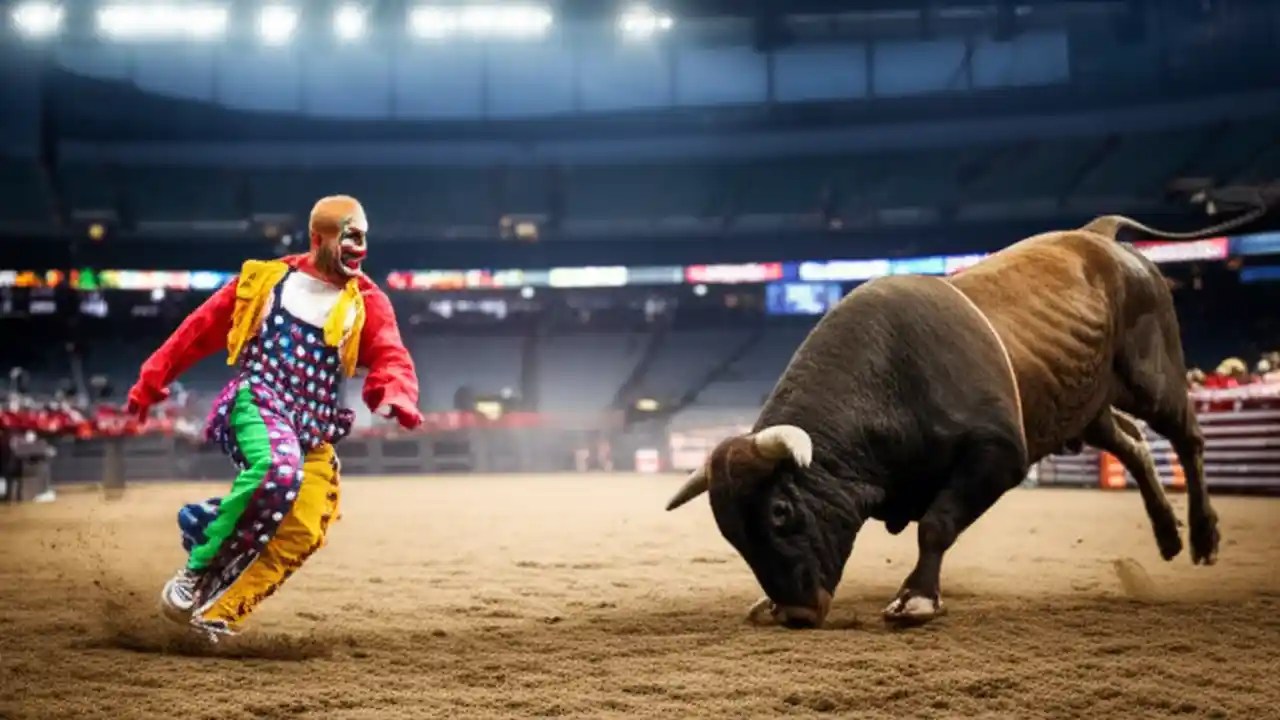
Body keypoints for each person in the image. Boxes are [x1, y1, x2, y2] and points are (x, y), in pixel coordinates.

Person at [126, 195, 422, 640]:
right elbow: (198, 330)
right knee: (278, 471)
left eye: (363, 238)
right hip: (259, 402)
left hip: (312, 429)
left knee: (304, 527)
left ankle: (218, 615)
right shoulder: (265, 282)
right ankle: (196, 571)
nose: (359, 248)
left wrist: (396, 394)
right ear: (317, 239)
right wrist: (152, 379)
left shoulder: (366, 301)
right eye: (349, 237)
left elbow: (390, 354)